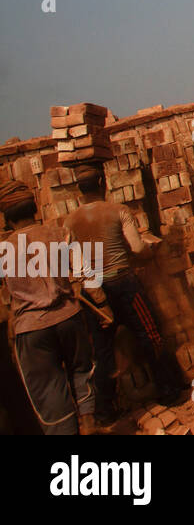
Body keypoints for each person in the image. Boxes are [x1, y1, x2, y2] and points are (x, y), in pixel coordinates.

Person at [64, 164, 188, 413]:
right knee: (150, 335)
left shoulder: (70, 221)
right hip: (124, 284)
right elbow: (137, 248)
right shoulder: (118, 211)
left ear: (79, 191)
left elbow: (74, 264)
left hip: (94, 293)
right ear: (103, 184)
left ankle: (106, 410)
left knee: (102, 350)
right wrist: (151, 248)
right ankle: (168, 390)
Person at [0, 178, 95, 434]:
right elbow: (86, 273)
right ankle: (89, 423)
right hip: (69, 317)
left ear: (6, 219)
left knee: (49, 392)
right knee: (82, 372)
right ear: (35, 210)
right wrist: (101, 304)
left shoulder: (3, 250)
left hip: (31, 330)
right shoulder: (60, 233)